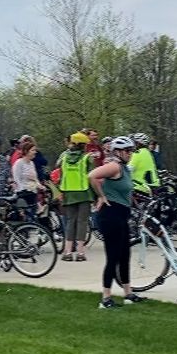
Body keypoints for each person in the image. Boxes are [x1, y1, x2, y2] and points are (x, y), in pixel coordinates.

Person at [88, 136, 150, 309]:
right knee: (113, 257)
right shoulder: (114, 166)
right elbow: (92, 176)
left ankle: (128, 293)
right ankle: (106, 298)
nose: (130, 154)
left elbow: (125, 190)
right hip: (110, 215)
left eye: (131, 151)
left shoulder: (124, 168)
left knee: (124, 255)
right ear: (117, 152)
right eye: (127, 151)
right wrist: (101, 196)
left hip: (122, 215)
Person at [57, 132, 93, 262]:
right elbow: (92, 176)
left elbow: (60, 174)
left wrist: (60, 192)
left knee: (70, 222)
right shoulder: (87, 158)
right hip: (84, 193)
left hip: (68, 193)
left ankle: (67, 252)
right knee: (82, 222)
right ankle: (80, 252)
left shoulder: (64, 157)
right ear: (83, 145)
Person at [12, 141, 46, 218]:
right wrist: (22, 190)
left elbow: (35, 179)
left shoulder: (31, 163)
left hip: (33, 193)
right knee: (28, 216)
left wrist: (40, 186)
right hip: (24, 194)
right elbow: (17, 179)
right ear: (26, 151)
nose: (35, 152)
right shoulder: (19, 163)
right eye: (33, 150)